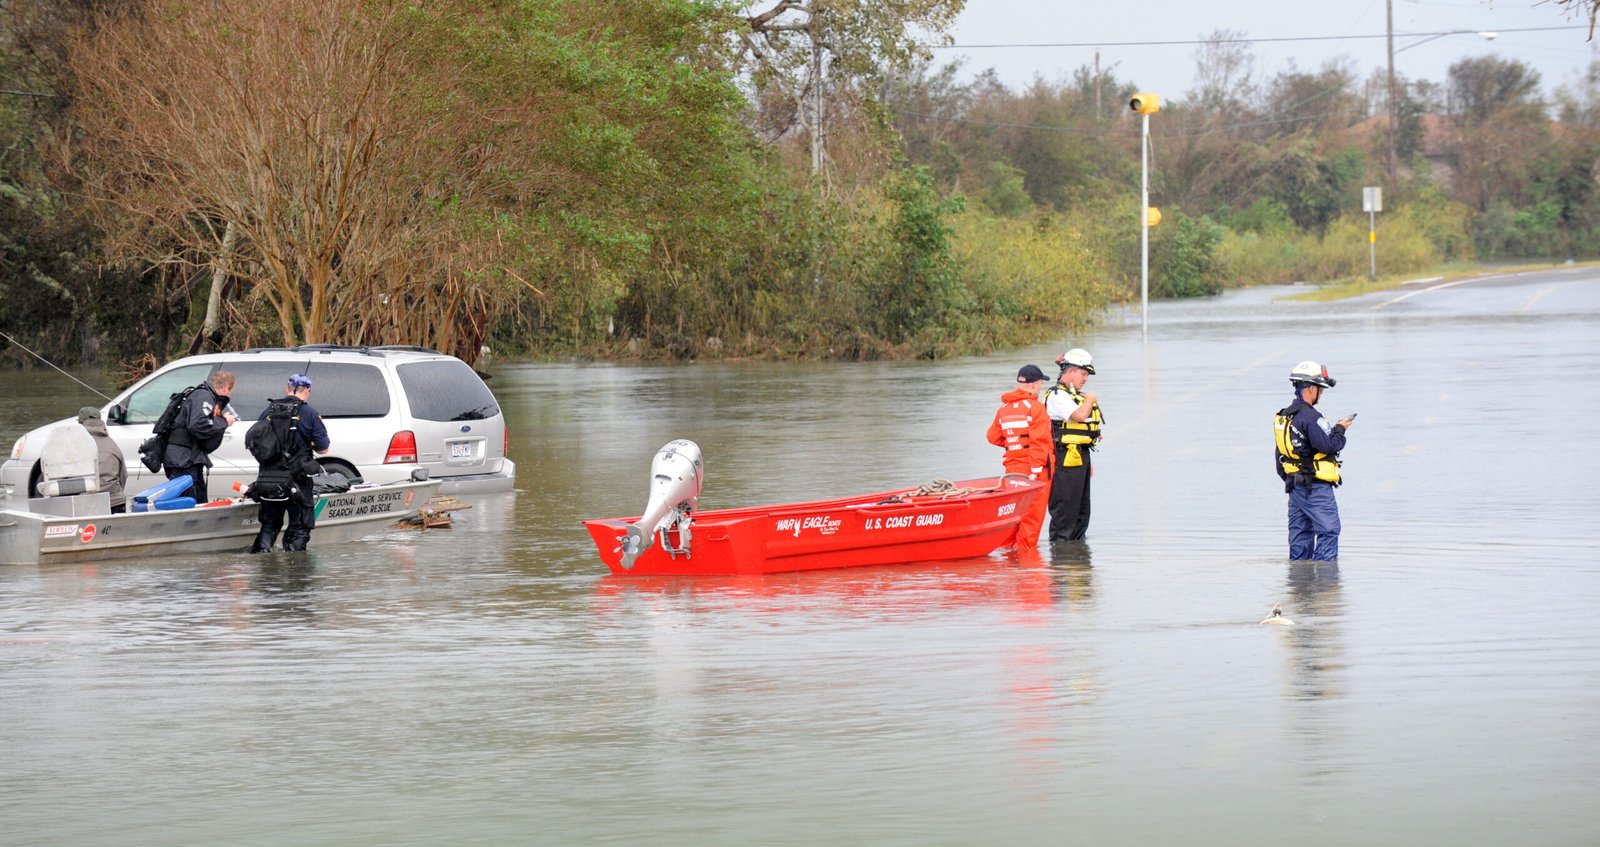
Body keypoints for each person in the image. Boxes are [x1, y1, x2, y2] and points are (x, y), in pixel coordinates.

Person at [1274, 361, 1355, 561]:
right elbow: (1330, 445)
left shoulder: (1285, 416)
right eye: (1320, 389)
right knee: (1329, 530)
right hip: (1315, 488)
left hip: (1294, 486)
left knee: (1300, 537)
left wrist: (1291, 479)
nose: (1321, 394)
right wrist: (1340, 429)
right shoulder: (1311, 417)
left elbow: (1280, 456)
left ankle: (1298, 586)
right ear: (1311, 389)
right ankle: (1326, 588)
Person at [250, 373, 330, 553]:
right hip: (298, 482)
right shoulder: (310, 414)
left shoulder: (267, 412)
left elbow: (257, 444)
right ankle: (295, 572)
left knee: (269, 526)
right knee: (299, 529)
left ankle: (264, 567)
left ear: (287, 388)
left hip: (269, 481)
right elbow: (323, 449)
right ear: (307, 391)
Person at [986, 364, 1053, 548]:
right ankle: (1027, 569)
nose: (1040, 387)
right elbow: (1039, 442)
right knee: (1031, 522)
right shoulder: (1035, 408)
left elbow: (992, 437)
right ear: (1034, 385)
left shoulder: (1004, 408)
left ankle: (1010, 562)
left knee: (1014, 519)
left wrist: (1013, 443)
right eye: (1040, 383)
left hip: (1011, 472)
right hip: (1034, 472)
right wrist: (1036, 472)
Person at [1043, 348, 1102, 542]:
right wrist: (1092, 399)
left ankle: (1078, 559)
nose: (1085, 379)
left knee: (1082, 510)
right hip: (1063, 458)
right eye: (1083, 373)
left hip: (1079, 456)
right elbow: (1079, 415)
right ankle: (1061, 559)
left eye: (1086, 375)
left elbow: (1081, 428)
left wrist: (1087, 462)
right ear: (1071, 371)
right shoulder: (1058, 395)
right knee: (1065, 510)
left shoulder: (1074, 395)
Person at [161, 370, 237, 503]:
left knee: (198, 501)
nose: (230, 395)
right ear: (226, 387)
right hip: (183, 460)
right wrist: (224, 422)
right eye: (231, 391)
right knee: (186, 503)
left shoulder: (205, 396)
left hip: (188, 458)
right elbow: (198, 424)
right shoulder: (204, 396)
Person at [77, 406, 128, 513]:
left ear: (80, 423)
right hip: (115, 502)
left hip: (85, 504)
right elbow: (123, 475)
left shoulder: (74, 444)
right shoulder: (112, 444)